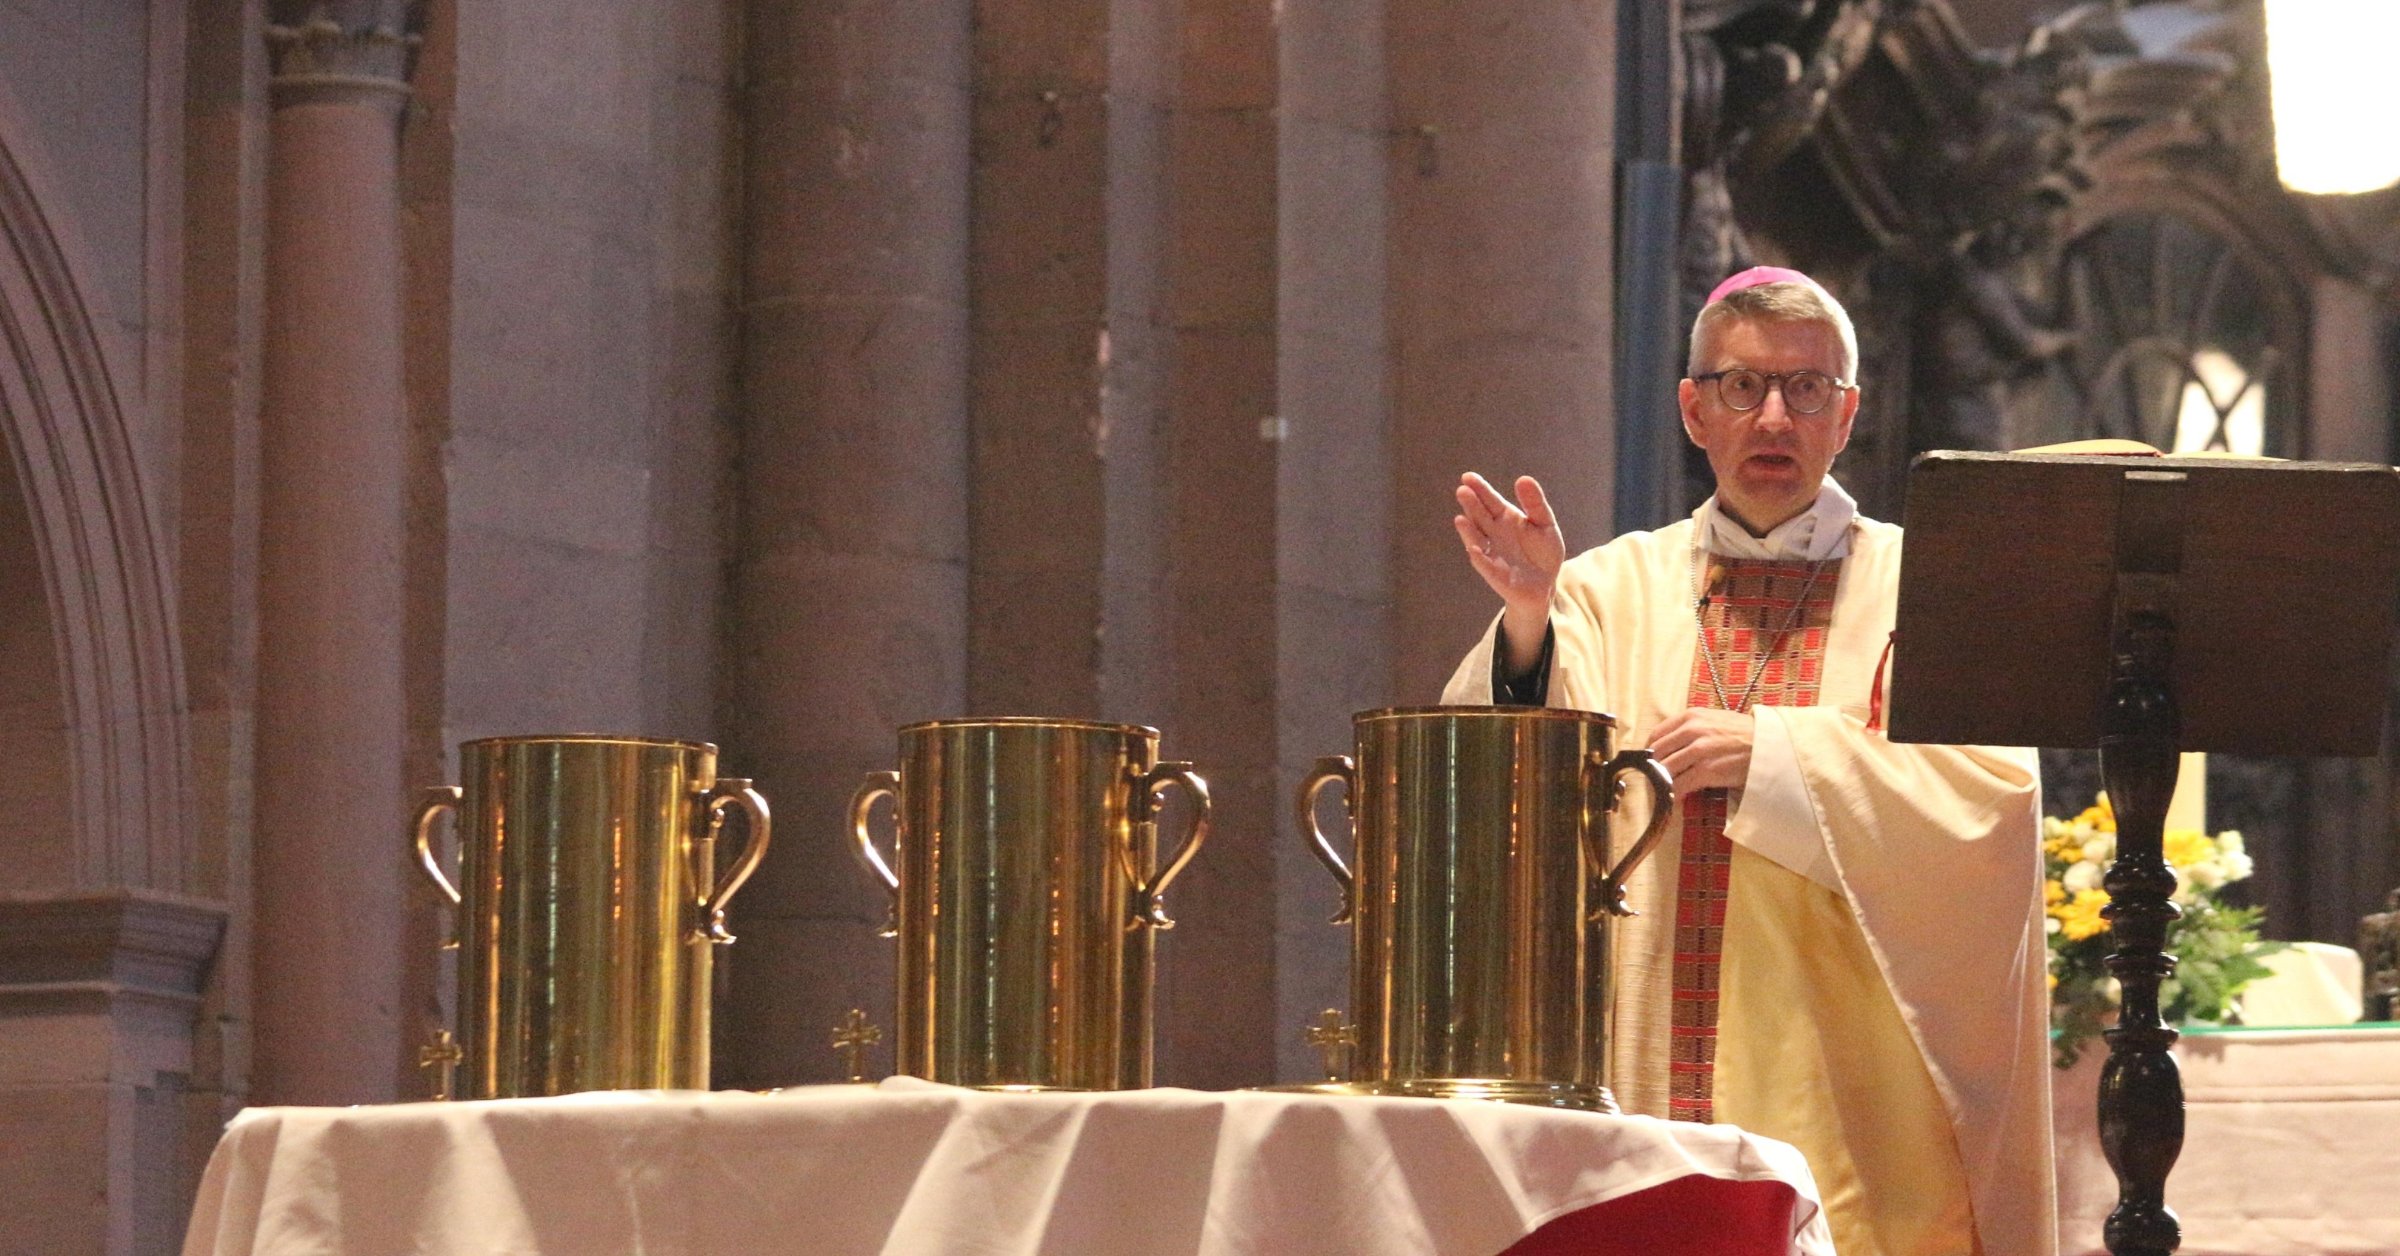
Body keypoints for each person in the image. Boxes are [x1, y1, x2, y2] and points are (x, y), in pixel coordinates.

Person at [1444, 268, 2055, 1256]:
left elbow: (1993, 801)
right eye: (1742, 386)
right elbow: (1511, 788)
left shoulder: (1932, 589)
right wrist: (1526, 618)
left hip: (1852, 1088)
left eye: (1807, 388)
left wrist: (1772, 752)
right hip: (1646, 1063)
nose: (1774, 415)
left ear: (1847, 412)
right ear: (1694, 408)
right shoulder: (1603, 591)